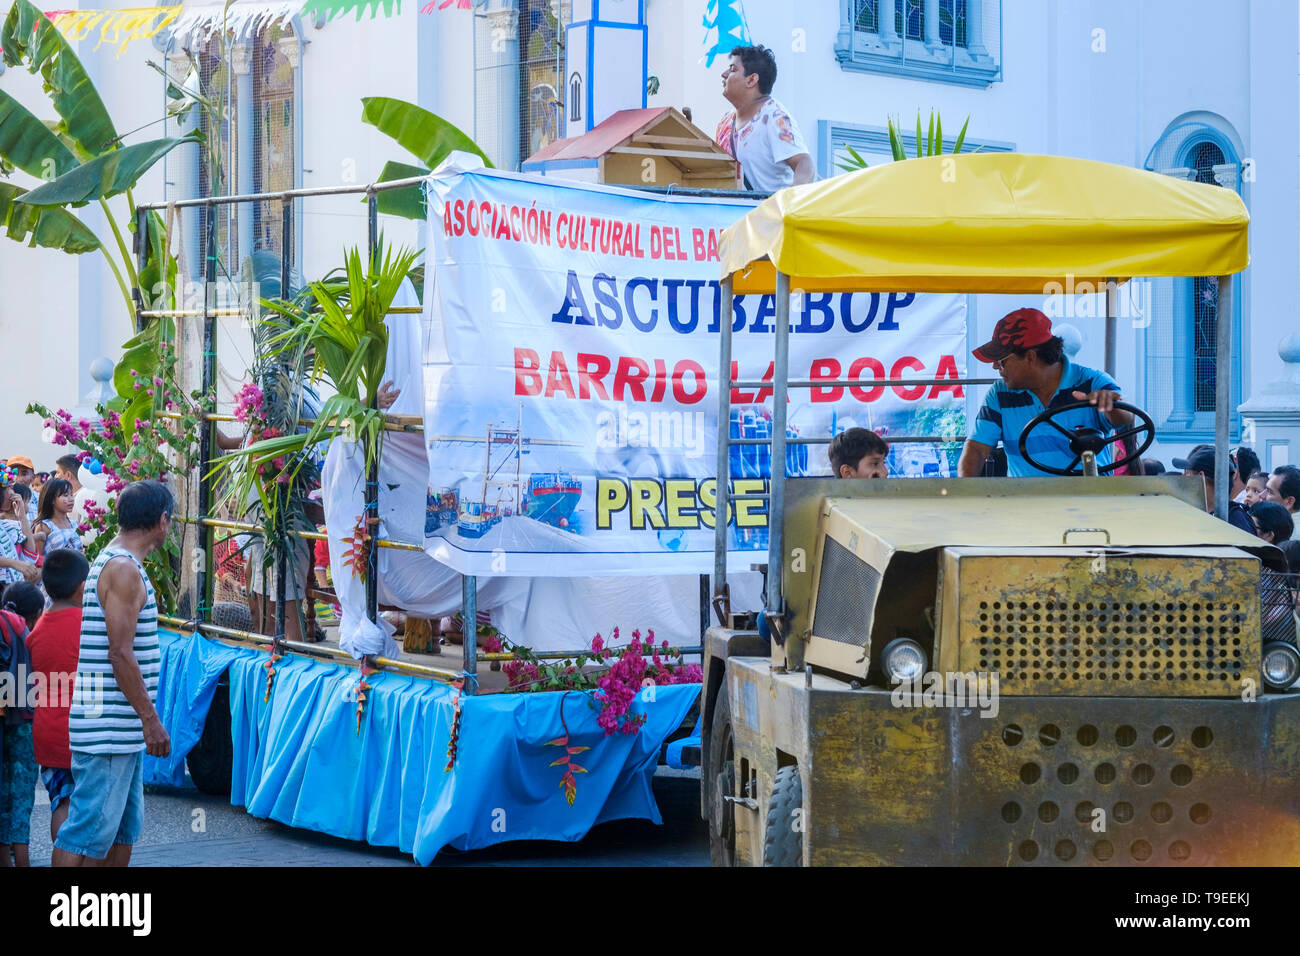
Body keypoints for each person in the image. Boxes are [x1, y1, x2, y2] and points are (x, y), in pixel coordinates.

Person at [53, 480, 172, 868]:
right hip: (109, 727)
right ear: (162, 521)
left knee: (121, 830)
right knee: (86, 831)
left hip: (118, 729)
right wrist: (150, 720)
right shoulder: (122, 568)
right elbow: (120, 654)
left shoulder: (119, 562)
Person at [958, 309, 1134, 477]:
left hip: (1090, 498)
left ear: (1030, 357)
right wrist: (963, 495)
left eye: (1001, 361)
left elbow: (1126, 418)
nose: (995, 366)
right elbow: (977, 449)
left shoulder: (1094, 383)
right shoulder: (999, 394)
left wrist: (1112, 406)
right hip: (1026, 502)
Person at [25, 549, 89, 847]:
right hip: (82, 732)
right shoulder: (86, 626)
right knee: (86, 807)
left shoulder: (36, 630)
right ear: (81, 587)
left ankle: (60, 856)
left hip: (47, 733)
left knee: (60, 803)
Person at [714, 45, 814, 193]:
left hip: (769, 214)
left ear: (752, 80)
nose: (724, 74)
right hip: (731, 214)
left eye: (733, 70)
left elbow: (804, 163)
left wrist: (791, 200)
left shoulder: (777, 119)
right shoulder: (725, 122)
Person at [0, 581, 44, 866]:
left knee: (3, 793)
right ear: (35, 614)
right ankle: (23, 862)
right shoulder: (29, 632)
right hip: (25, 721)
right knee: (23, 795)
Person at [1173, 444, 1256, 533]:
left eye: (1187, 475)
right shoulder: (1206, 516)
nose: (1183, 479)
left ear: (1201, 479)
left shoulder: (1235, 521)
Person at [0, 474, 39, 586]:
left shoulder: (6, 525)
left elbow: (29, 554)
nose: (12, 493)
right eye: (7, 488)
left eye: (11, 488)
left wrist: (22, 516)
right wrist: (13, 563)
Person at [32, 477, 83, 559]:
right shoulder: (44, 527)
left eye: (71, 495)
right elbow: (38, 560)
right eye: (65, 495)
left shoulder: (74, 523)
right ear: (51, 499)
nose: (71, 499)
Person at [5, 456, 39, 522]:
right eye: (15, 473)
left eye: (24, 474)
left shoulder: (41, 499)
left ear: (33, 477)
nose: (19, 479)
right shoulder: (3, 500)